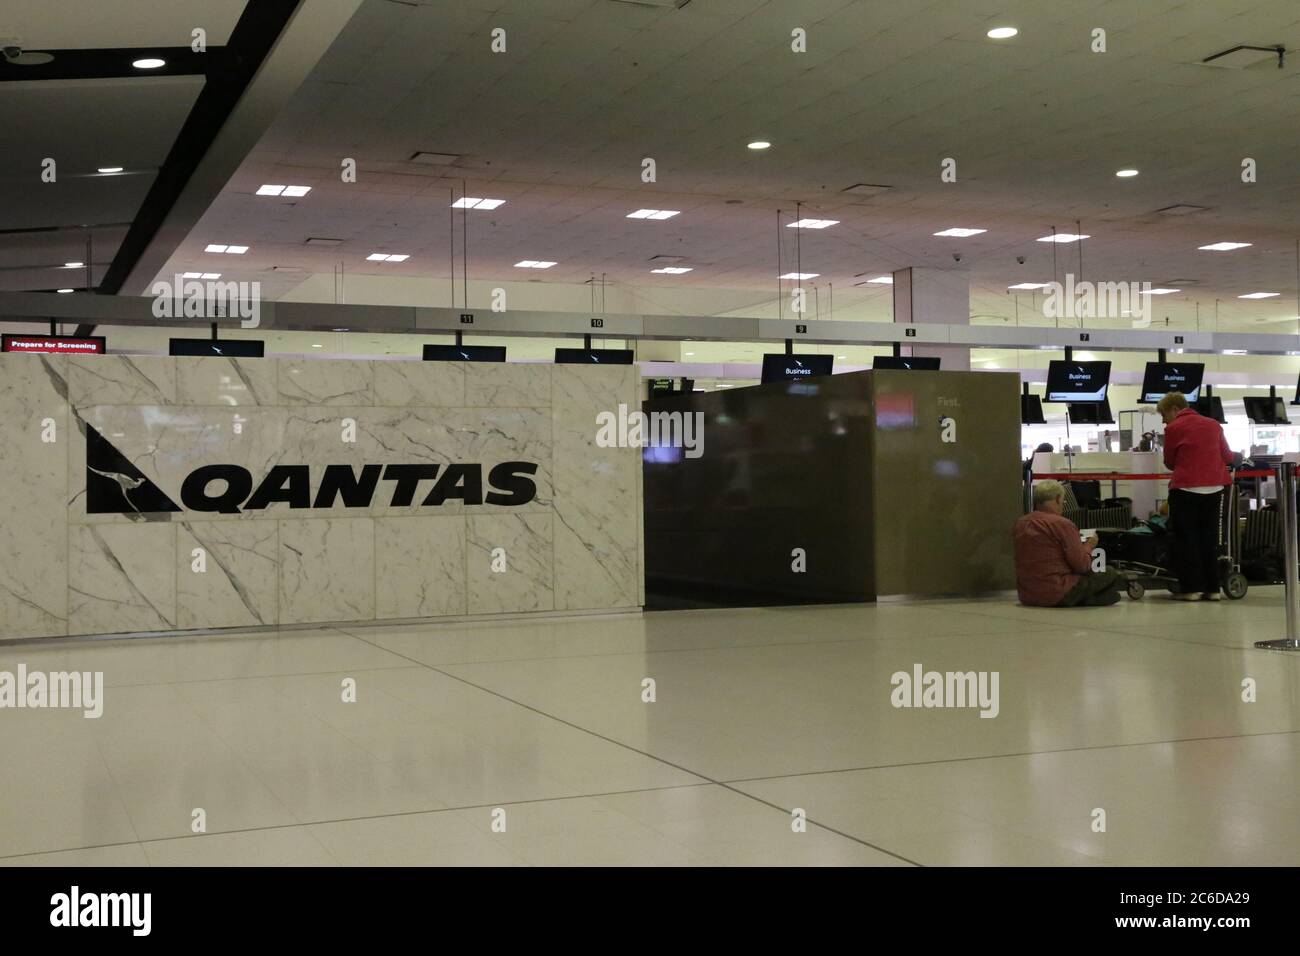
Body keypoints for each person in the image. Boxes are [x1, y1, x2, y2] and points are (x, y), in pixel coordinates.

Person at [1158, 391, 1234, 601]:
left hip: (1185, 489)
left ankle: (1192, 589)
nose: (1164, 419)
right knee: (1210, 538)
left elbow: (1170, 462)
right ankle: (1213, 588)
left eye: (1164, 414)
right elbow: (1227, 456)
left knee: (1186, 539)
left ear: (1174, 409)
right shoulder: (1213, 424)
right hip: (1215, 488)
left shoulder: (1173, 428)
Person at [1013, 480, 1122, 607]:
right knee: (1109, 572)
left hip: (1027, 595)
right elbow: (1082, 566)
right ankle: (1084, 599)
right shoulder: (1062, 524)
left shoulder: (1020, 524)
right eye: (1063, 502)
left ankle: (1088, 598)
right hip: (1057, 591)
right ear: (1058, 499)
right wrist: (1089, 546)